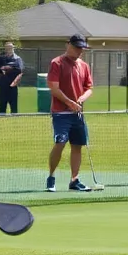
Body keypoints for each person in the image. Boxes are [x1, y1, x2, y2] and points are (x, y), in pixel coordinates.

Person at [46, 34, 94, 193]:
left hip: (77, 114)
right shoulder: (57, 63)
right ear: (68, 45)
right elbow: (54, 87)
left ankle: (74, 180)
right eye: (76, 47)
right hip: (61, 113)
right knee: (60, 142)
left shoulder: (84, 66)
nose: (79, 51)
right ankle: (51, 176)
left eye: (81, 48)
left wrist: (81, 99)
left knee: (77, 145)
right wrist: (70, 103)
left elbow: (89, 88)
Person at [0, 40, 24, 114]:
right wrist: (2, 70)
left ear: (13, 48)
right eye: (7, 48)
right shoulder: (0, 59)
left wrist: (8, 68)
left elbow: (19, 69)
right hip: (2, 85)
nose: (9, 49)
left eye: (10, 48)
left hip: (13, 85)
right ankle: (1, 118)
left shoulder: (17, 59)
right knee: (2, 104)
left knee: (14, 105)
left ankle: (14, 118)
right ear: (5, 49)